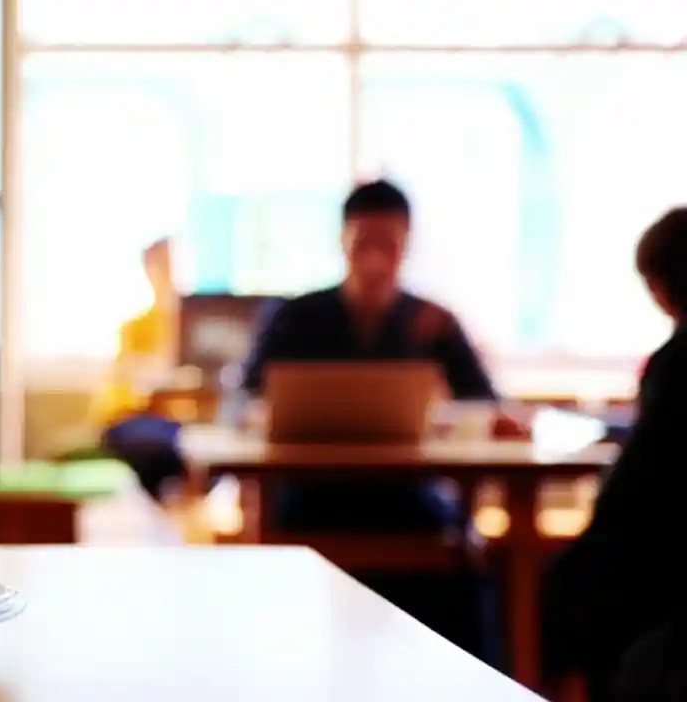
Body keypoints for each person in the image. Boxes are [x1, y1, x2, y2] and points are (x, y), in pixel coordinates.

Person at [240, 179, 514, 662]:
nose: (375, 258)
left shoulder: (432, 320)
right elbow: (240, 402)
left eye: (388, 243)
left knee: (470, 563)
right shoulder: (296, 317)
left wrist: (458, 420)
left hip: (404, 495)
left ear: (407, 243)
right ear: (343, 239)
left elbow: (485, 405)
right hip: (312, 493)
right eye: (364, 242)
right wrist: (260, 416)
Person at [543, 208, 687, 700]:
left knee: (566, 580)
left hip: (657, 582)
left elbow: (631, 497)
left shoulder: (677, 364)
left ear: (662, 289)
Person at [95, 238, 185, 500]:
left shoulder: (203, 327)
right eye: (162, 265)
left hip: (180, 423)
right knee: (160, 446)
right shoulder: (135, 328)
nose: (170, 274)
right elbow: (129, 388)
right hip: (133, 417)